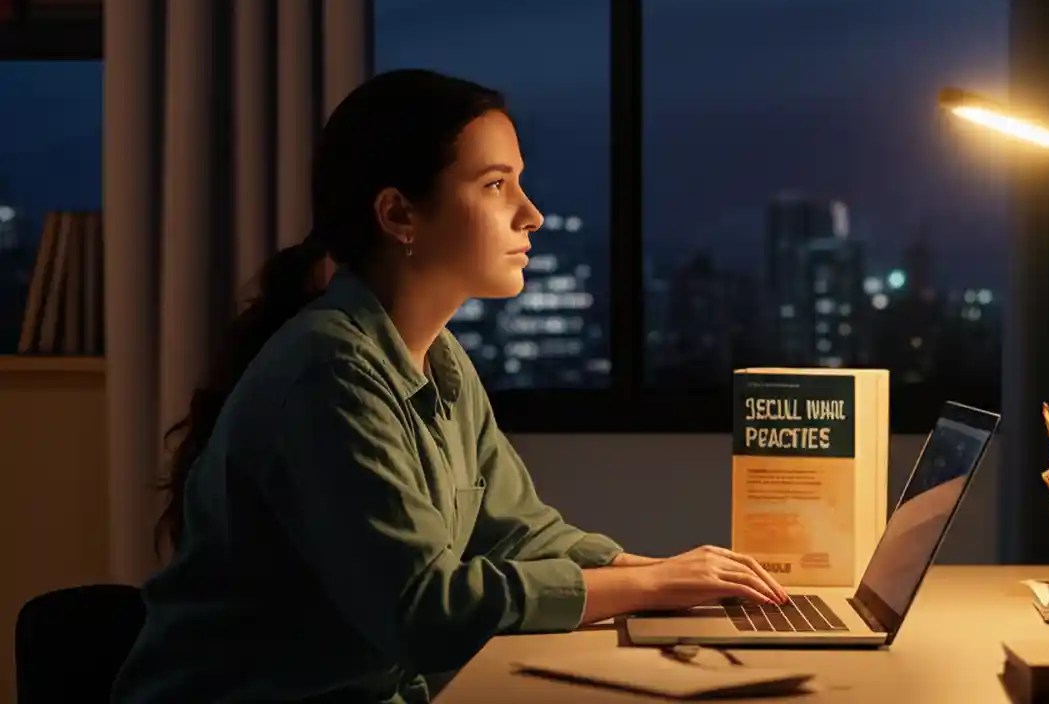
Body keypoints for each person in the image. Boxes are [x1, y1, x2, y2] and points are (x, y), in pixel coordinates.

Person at [110, 69, 787, 704]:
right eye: (496, 185)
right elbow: (425, 613)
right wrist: (643, 586)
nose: (532, 214)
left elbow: (517, 530)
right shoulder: (329, 373)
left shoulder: (440, 359)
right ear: (399, 215)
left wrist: (665, 574)